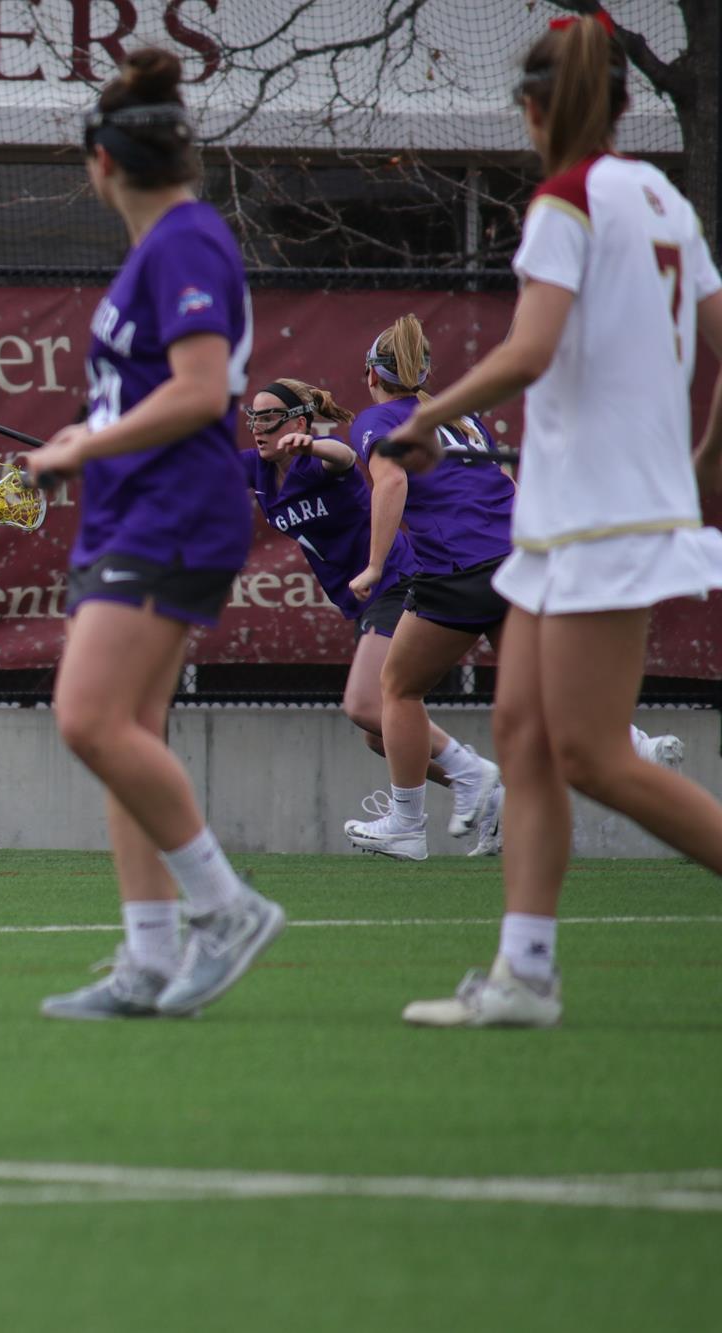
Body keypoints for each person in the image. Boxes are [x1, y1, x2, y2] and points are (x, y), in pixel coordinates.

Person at [384, 13, 722, 1027]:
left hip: (594, 514)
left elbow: (529, 351)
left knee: (588, 752)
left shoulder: (561, 201)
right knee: (523, 734)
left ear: (531, 110)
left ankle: (524, 975)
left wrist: (424, 420)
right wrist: (699, 466)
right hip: (573, 513)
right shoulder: (658, 193)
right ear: (623, 104)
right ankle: (521, 975)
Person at [22, 48, 284, 1021]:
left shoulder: (181, 244)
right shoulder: (163, 246)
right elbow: (147, 396)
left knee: (87, 720)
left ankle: (224, 908)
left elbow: (199, 390)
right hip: (134, 510)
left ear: (99, 166)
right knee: (123, 735)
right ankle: (146, 958)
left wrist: (83, 445)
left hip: (171, 513)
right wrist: (81, 441)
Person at [242, 379, 506, 848]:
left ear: (298, 422)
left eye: (268, 418)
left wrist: (314, 444)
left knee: (366, 704)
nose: (257, 428)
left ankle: (472, 774)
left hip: (397, 579)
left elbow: (342, 456)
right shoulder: (260, 470)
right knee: (380, 735)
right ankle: (489, 797)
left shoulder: (323, 461)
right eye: (253, 418)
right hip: (366, 597)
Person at [342, 315, 518, 860]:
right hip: (515, 554)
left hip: (457, 565)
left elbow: (391, 479)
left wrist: (374, 566)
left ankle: (407, 824)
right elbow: (506, 482)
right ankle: (635, 744)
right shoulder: (460, 417)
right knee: (539, 687)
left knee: (396, 690)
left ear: (374, 374)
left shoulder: (378, 418)